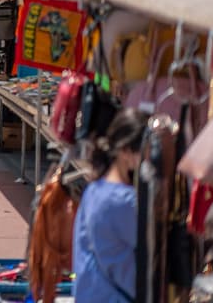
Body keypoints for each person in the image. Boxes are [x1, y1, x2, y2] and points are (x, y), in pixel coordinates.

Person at [72, 108, 147, 302]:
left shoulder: (94, 190)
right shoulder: (124, 201)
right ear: (126, 152)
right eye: (144, 152)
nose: (148, 159)